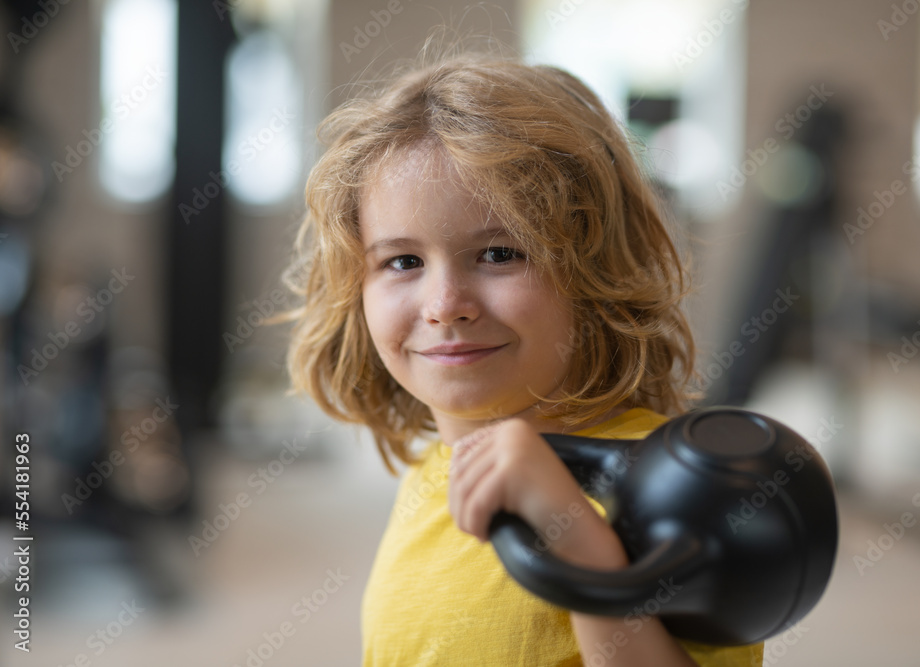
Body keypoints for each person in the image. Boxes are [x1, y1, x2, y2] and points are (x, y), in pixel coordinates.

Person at [276, 49, 764, 667]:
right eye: (404, 262)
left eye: (501, 253)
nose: (445, 305)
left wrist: (575, 539)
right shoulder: (438, 468)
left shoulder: (675, 488)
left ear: (595, 269)